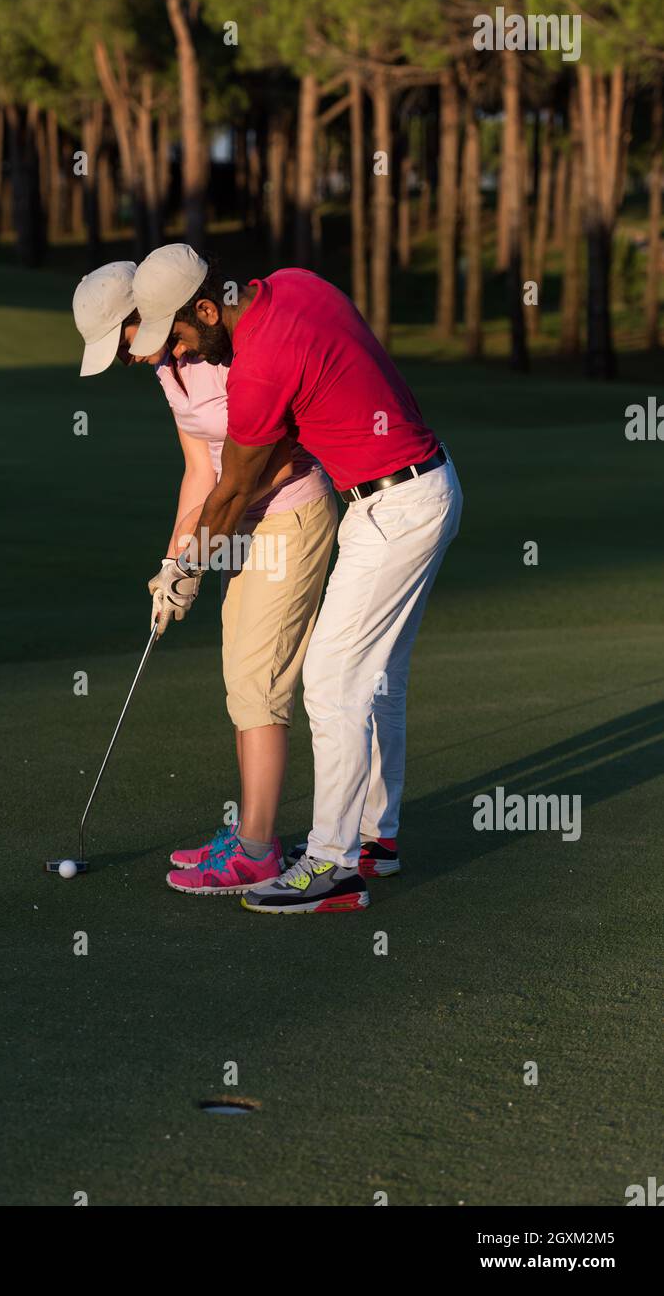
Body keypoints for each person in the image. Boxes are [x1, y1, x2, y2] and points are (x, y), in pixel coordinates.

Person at [133, 246, 462, 914]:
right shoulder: (296, 282)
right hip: (427, 483)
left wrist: (185, 570)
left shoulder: (256, 369)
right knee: (377, 680)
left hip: (393, 510)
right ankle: (377, 838)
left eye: (183, 338)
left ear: (205, 307)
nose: (185, 354)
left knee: (331, 681)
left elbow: (232, 491)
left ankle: (332, 866)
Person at [72, 258, 337, 895]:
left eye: (124, 342)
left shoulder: (225, 353)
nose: (126, 358)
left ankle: (256, 853)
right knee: (238, 679)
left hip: (288, 513)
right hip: (232, 524)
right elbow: (200, 470)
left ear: (148, 318)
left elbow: (275, 461)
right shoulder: (172, 369)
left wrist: (199, 554)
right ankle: (252, 835)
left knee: (260, 679)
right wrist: (174, 562)